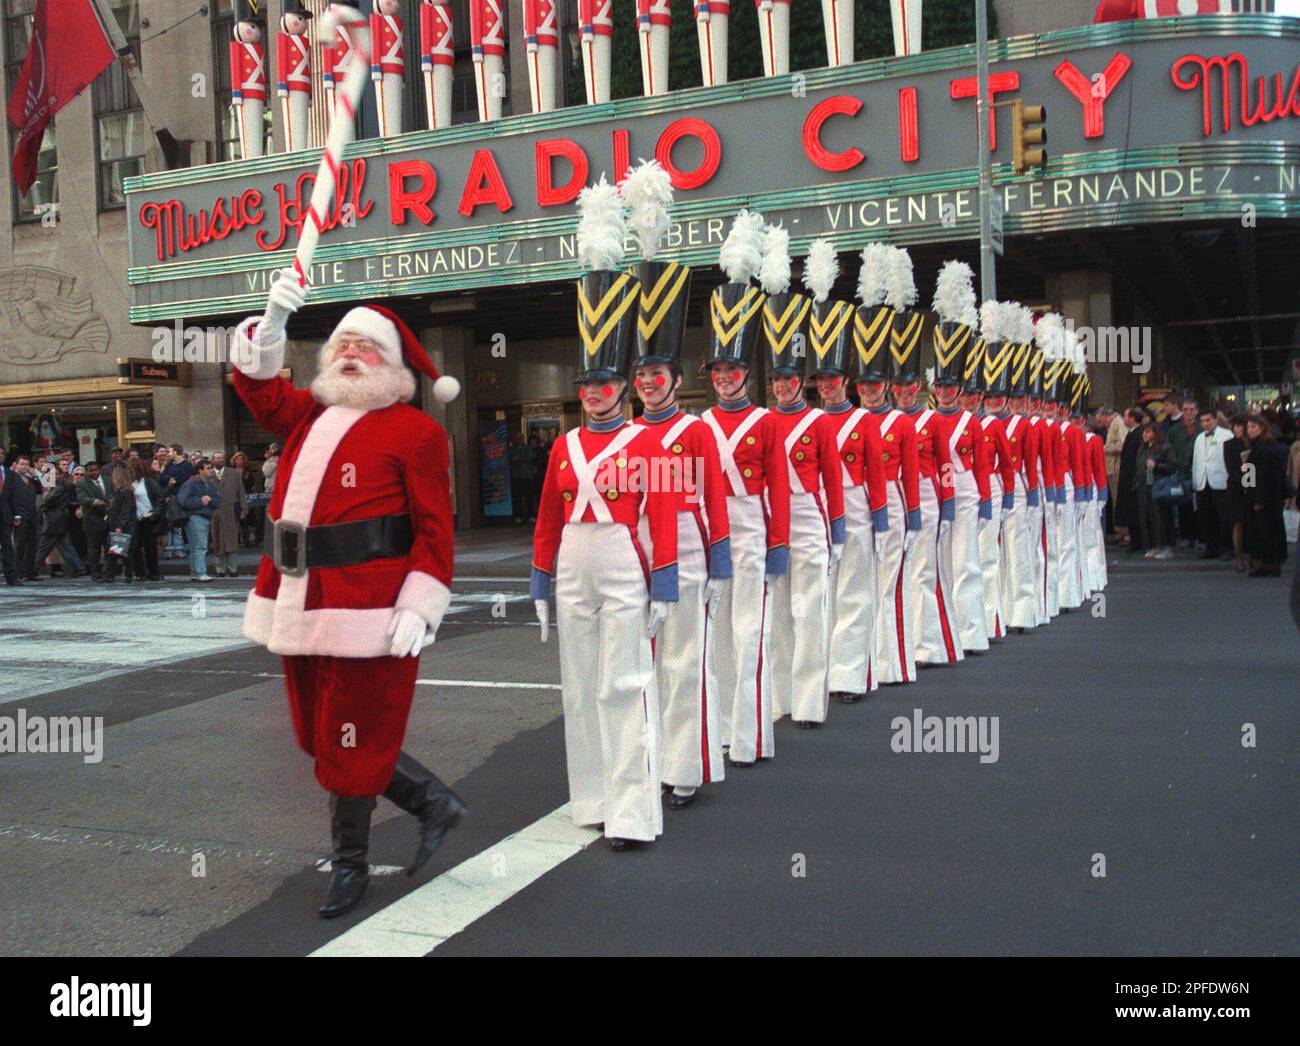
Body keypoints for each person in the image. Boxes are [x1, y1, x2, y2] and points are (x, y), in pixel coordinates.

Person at [232, 269, 463, 917]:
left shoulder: (417, 434)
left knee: (351, 738)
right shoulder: (307, 413)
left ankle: (352, 866)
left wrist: (422, 603)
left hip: (371, 608)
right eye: (343, 345)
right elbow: (255, 386)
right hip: (297, 602)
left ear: (390, 363)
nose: (352, 353)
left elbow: (435, 532)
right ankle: (434, 803)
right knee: (317, 736)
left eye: (368, 347)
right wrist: (272, 326)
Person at [531, 248, 678, 850]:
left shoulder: (649, 444)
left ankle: (633, 812)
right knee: (579, 686)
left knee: (623, 685)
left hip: (622, 566)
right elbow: (546, 519)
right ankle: (591, 799)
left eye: (605, 382)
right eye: (587, 383)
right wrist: (540, 584)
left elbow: (663, 518)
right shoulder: (562, 446)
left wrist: (664, 584)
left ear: (623, 387)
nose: (595, 391)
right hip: (571, 566)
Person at [631, 315, 731, 809]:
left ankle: (685, 767)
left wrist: (720, 565)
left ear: (676, 380)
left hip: (689, 550)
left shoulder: (696, 431)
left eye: (657, 374)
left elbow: (715, 499)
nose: (648, 383)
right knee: (641, 666)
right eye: (640, 375)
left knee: (685, 661)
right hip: (636, 554)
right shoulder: (625, 433)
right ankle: (646, 761)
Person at [701, 316, 790, 765]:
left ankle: (751, 736)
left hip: (753, 525)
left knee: (750, 630)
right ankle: (717, 728)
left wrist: (779, 545)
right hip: (712, 532)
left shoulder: (767, 422)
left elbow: (779, 487)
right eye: (717, 371)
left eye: (731, 370)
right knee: (714, 633)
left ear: (746, 376)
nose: (723, 378)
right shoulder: (700, 423)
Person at [1241, 414, 1291, 577]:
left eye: (1253, 427)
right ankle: (1261, 564)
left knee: (1268, 531)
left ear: (1262, 428)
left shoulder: (1267, 448)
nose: (1249, 430)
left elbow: (1267, 477)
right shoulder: (1254, 448)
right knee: (1258, 531)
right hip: (1254, 495)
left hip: (1267, 499)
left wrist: (1260, 499)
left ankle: (1271, 564)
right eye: (1248, 427)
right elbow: (1250, 473)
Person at [1191, 408, 1233, 560]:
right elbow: (1196, 461)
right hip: (1203, 482)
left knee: (1223, 516)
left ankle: (1227, 547)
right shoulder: (1199, 438)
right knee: (1206, 516)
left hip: (1221, 481)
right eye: (1202, 421)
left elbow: (1231, 460)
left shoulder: (1227, 435)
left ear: (1216, 420)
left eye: (1208, 420)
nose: (1205, 424)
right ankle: (1211, 547)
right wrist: (1195, 483)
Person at [1134, 423, 1177, 559]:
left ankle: (1165, 546)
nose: (1145, 435)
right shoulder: (1143, 448)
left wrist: (1157, 466)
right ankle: (1152, 545)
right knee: (1147, 517)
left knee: (1161, 517)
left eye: (1148, 432)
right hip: (1144, 485)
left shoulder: (1165, 447)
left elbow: (1172, 466)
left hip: (1160, 486)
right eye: (1144, 432)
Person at [34, 470, 84, 578]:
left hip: (54, 520)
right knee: (65, 545)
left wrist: (43, 505)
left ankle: (34, 569)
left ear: (59, 475)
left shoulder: (59, 487)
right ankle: (77, 568)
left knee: (44, 546)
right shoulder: (56, 487)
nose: (54, 476)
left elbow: (47, 501)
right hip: (58, 519)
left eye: (56, 474)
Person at [180, 459, 222, 582]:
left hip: (204, 516)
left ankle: (196, 572)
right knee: (200, 546)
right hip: (195, 516)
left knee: (196, 546)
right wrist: (200, 501)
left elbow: (218, 500)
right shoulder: (191, 483)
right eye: (208, 468)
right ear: (200, 470)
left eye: (211, 468)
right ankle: (200, 572)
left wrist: (210, 500)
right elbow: (183, 500)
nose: (211, 470)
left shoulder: (210, 484)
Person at [209, 450, 248, 577]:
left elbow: (241, 492)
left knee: (232, 540)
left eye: (221, 458)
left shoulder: (234, 473)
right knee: (217, 540)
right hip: (214, 513)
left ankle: (233, 568)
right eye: (217, 458)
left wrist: (244, 508)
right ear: (212, 460)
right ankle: (220, 569)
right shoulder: (208, 475)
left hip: (231, 511)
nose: (219, 460)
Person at [127, 459, 164, 582]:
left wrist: (155, 513)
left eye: (132, 470)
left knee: (150, 547)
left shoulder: (149, 482)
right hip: (134, 519)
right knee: (135, 547)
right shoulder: (129, 483)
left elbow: (159, 498)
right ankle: (139, 572)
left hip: (148, 518)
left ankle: (153, 572)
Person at [76, 462, 112, 581]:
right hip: (92, 520)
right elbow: (82, 498)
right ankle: (95, 573)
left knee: (109, 547)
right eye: (90, 471)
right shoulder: (82, 484)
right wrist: (95, 502)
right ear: (87, 472)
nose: (93, 472)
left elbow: (113, 494)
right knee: (94, 549)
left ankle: (109, 572)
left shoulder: (107, 480)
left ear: (99, 469)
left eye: (95, 470)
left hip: (108, 519)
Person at [7, 456, 41, 581]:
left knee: (32, 545)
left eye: (27, 464)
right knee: (19, 545)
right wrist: (14, 514)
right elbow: (9, 498)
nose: (25, 466)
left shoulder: (29, 479)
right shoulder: (11, 478)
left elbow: (39, 490)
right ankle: (18, 572)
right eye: (22, 464)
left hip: (32, 515)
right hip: (19, 515)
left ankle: (30, 573)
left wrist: (35, 476)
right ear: (15, 465)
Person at [101, 466, 136, 583]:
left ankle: (125, 574)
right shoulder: (117, 492)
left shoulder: (125, 493)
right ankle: (110, 574)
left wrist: (120, 526)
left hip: (119, 526)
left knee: (121, 551)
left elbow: (126, 511)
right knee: (114, 551)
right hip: (114, 525)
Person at [1223, 415, 1249, 573]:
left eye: (1239, 426)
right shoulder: (1229, 445)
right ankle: (1239, 558)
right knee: (1238, 522)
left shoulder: (1252, 444)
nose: (1236, 429)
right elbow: (1231, 469)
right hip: (1235, 488)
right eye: (1234, 426)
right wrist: (1243, 480)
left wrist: (1249, 482)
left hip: (1251, 486)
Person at [508, 430, 536, 524]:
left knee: (529, 496)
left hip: (527, 475)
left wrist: (518, 458)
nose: (519, 439)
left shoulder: (527, 448)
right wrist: (519, 459)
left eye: (520, 437)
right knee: (517, 497)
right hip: (516, 475)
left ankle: (531, 515)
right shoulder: (512, 448)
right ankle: (518, 515)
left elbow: (530, 457)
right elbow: (511, 459)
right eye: (517, 437)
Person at [0, 450, 18, 586]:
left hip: (5, 515)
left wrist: (16, 513)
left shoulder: (10, 473)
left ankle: (11, 577)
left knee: (8, 546)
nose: (0, 456)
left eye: (2, 453)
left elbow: (13, 495)